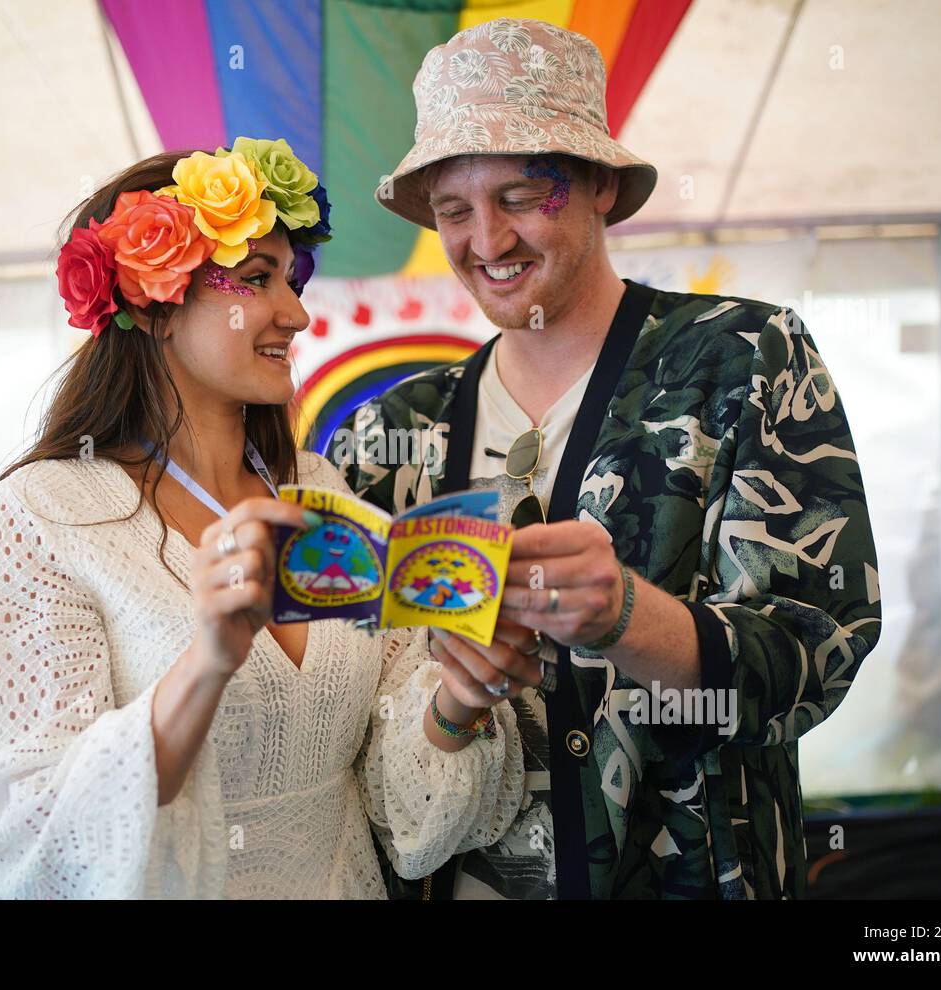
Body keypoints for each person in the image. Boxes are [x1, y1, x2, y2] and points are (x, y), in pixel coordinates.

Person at [333, 18, 882, 899]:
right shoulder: (386, 434)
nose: (488, 241)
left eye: (520, 196)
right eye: (454, 210)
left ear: (600, 185)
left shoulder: (742, 358)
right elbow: (352, 718)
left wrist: (628, 616)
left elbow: (823, 645)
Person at [0, 140, 528, 899]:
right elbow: (24, 826)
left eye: (293, 280)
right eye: (257, 279)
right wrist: (206, 663)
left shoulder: (318, 490)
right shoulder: (48, 513)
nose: (298, 314)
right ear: (153, 304)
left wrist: (459, 699)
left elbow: (392, 798)